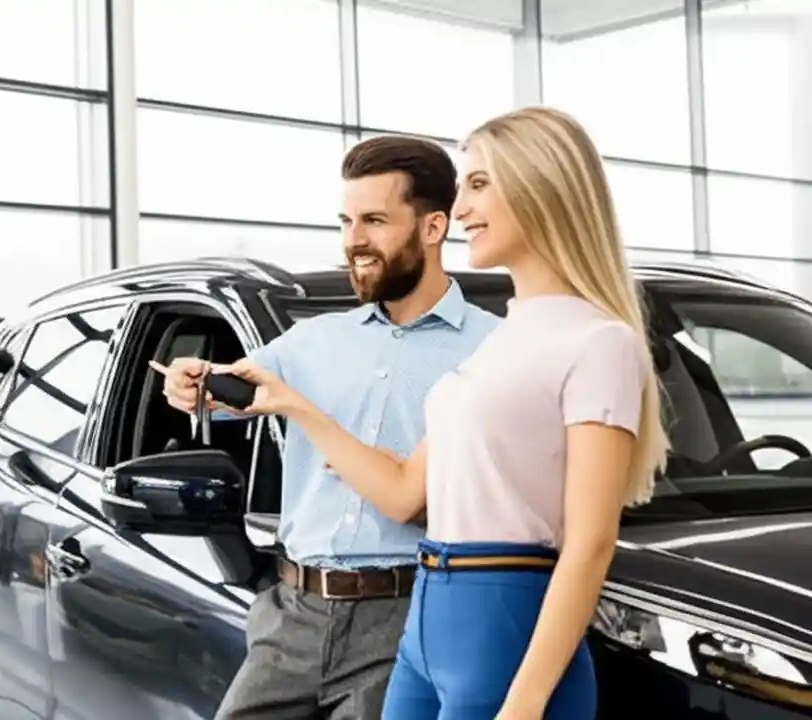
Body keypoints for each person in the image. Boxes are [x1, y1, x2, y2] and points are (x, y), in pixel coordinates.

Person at [220, 106, 672, 719]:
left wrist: (527, 701)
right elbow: (406, 490)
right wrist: (299, 408)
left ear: (540, 186)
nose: (460, 211)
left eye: (479, 185)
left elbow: (591, 542)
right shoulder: (505, 338)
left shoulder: (598, 341)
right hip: (426, 618)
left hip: (497, 617)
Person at [156, 135, 500, 719]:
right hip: (291, 616)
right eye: (345, 221)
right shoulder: (311, 342)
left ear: (434, 226)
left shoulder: (492, 348)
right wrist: (188, 386)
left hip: (406, 621)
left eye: (373, 220)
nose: (353, 241)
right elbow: (227, 391)